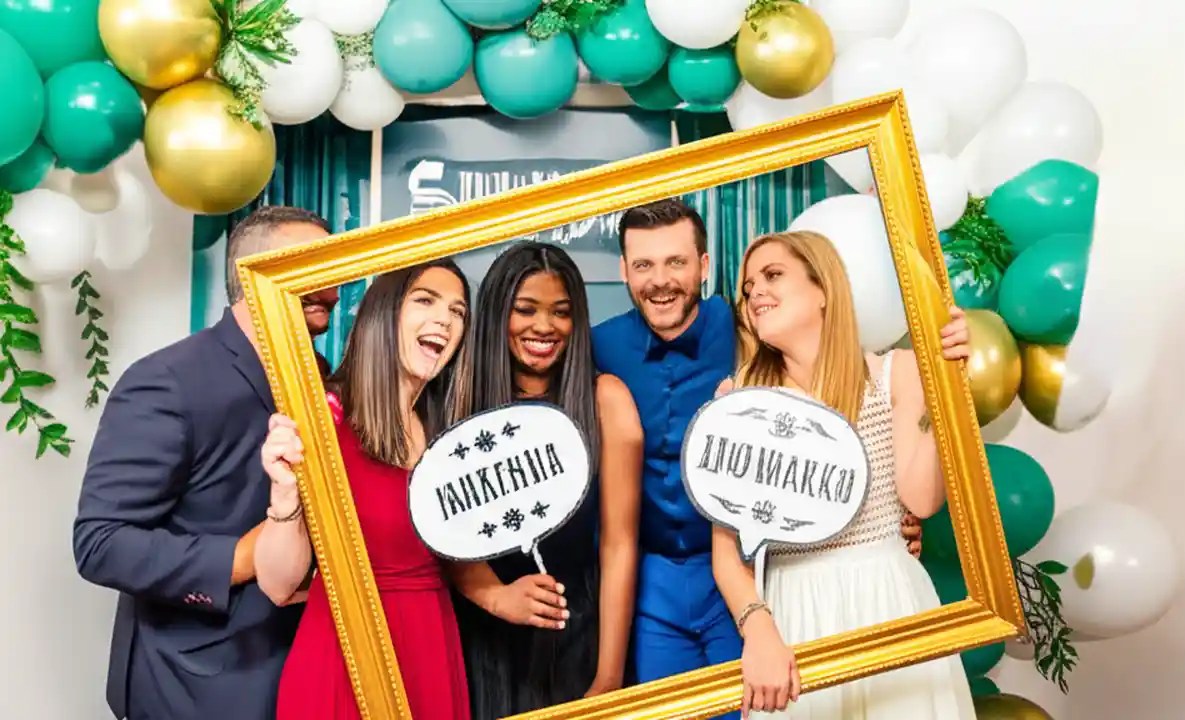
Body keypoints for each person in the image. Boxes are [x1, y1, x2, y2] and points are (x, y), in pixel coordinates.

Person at [590, 199, 922, 701]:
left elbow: (831, 413)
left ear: (704, 265)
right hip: (653, 578)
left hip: (748, 574)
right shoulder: (599, 346)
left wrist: (894, 514)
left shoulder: (753, 331)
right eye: (643, 265)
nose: (660, 281)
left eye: (676, 262)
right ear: (623, 271)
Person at [72, 206, 339, 720]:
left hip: (301, 666)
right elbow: (101, 544)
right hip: (197, 684)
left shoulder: (319, 376)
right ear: (252, 276)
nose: (329, 285)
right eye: (310, 265)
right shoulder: (168, 380)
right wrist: (247, 556)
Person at [711, 230, 975, 719]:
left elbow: (921, 499)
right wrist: (759, 631)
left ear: (823, 289)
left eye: (772, 275)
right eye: (747, 288)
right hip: (793, 614)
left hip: (890, 601)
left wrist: (950, 384)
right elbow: (726, 553)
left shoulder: (894, 374)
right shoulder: (739, 402)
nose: (755, 293)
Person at [254, 258, 474, 719]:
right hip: (344, 656)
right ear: (383, 312)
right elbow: (278, 585)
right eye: (425, 301)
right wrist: (285, 494)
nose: (444, 319)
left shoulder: (448, 432)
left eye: (457, 311)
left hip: (432, 648)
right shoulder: (325, 417)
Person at [447, 241, 643, 720]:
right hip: (483, 639)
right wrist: (495, 597)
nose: (544, 326)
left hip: (577, 631)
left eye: (561, 312)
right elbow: (442, 532)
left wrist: (609, 678)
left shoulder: (605, 399)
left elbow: (619, 545)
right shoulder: (459, 398)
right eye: (526, 309)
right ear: (498, 312)